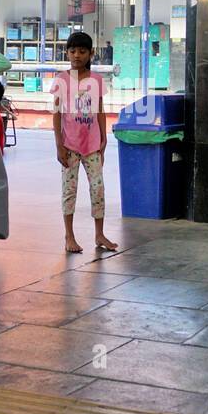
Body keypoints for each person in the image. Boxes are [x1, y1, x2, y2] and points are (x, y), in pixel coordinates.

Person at [51, 31, 117, 254]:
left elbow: (99, 109)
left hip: (92, 145)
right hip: (69, 145)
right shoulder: (61, 79)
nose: (77, 55)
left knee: (98, 189)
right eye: (72, 51)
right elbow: (57, 113)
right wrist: (59, 143)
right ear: (67, 53)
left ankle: (99, 234)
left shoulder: (96, 80)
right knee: (69, 190)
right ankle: (69, 236)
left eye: (82, 51)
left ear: (91, 53)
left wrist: (104, 136)